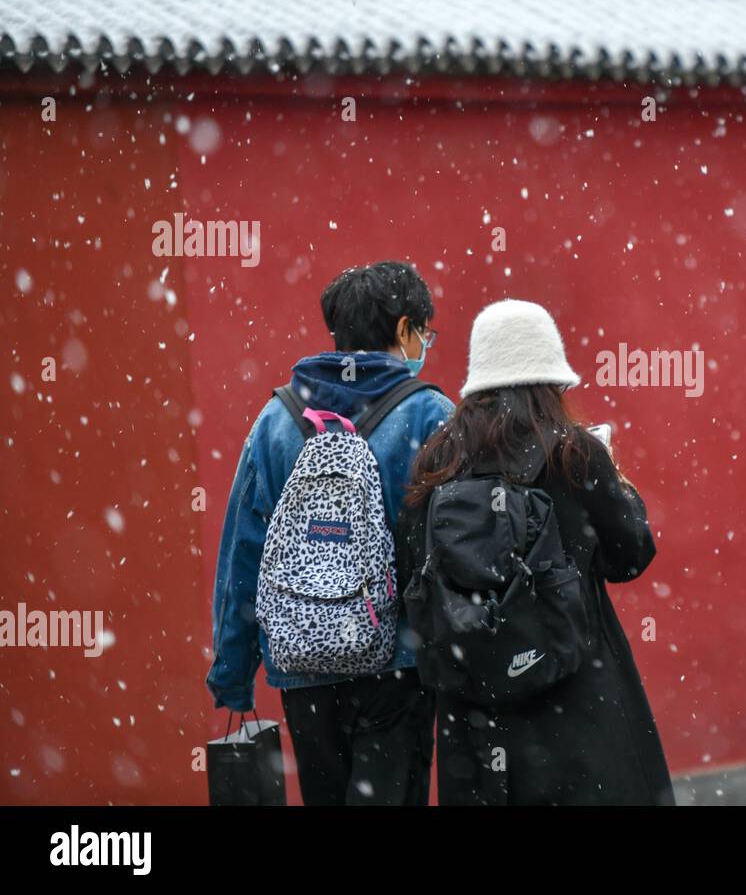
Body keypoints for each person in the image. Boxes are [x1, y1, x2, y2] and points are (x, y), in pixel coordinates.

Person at [397, 299, 675, 805]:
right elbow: (630, 556)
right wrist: (616, 478)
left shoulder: (437, 462)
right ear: (551, 380)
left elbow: (412, 573)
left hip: (475, 717)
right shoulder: (574, 453)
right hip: (575, 697)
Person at [206, 261, 455, 805]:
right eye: (424, 332)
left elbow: (243, 552)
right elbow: (457, 547)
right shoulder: (430, 416)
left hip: (304, 667)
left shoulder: (275, 420)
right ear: (403, 329)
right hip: (397, 666)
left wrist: (232, 671)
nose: (424, 345)